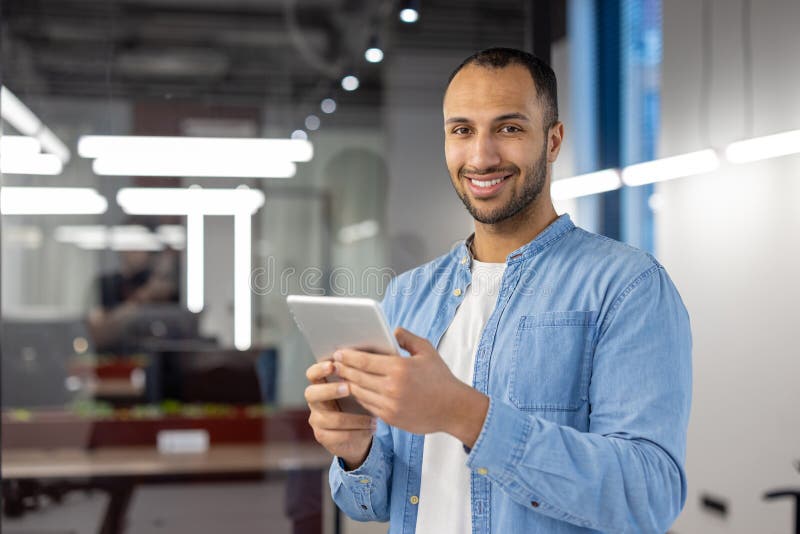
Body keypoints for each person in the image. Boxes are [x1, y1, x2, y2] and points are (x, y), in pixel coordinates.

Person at [304, 47, 692, 533]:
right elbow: (373, 503)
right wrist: (356, 448)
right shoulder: (407, 296)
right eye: (462, 130)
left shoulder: (627, 287)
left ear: (552, 141)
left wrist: (463, 413)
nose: (481, 156)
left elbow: (649, 495)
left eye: (509, 128)